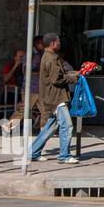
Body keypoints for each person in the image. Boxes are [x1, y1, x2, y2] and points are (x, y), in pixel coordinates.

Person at [28, 33, 80, 163]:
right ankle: (64, 156)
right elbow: (56, 79)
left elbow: (60, 74)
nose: (60, 44)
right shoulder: (50, 59)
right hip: (56, 98)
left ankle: (33, 152)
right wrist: (74, 78)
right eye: (58, 42)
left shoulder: (50, 57)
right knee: (67, 126)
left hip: (52, 97)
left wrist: (76, 73)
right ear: (52, 43)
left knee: (50, 127)